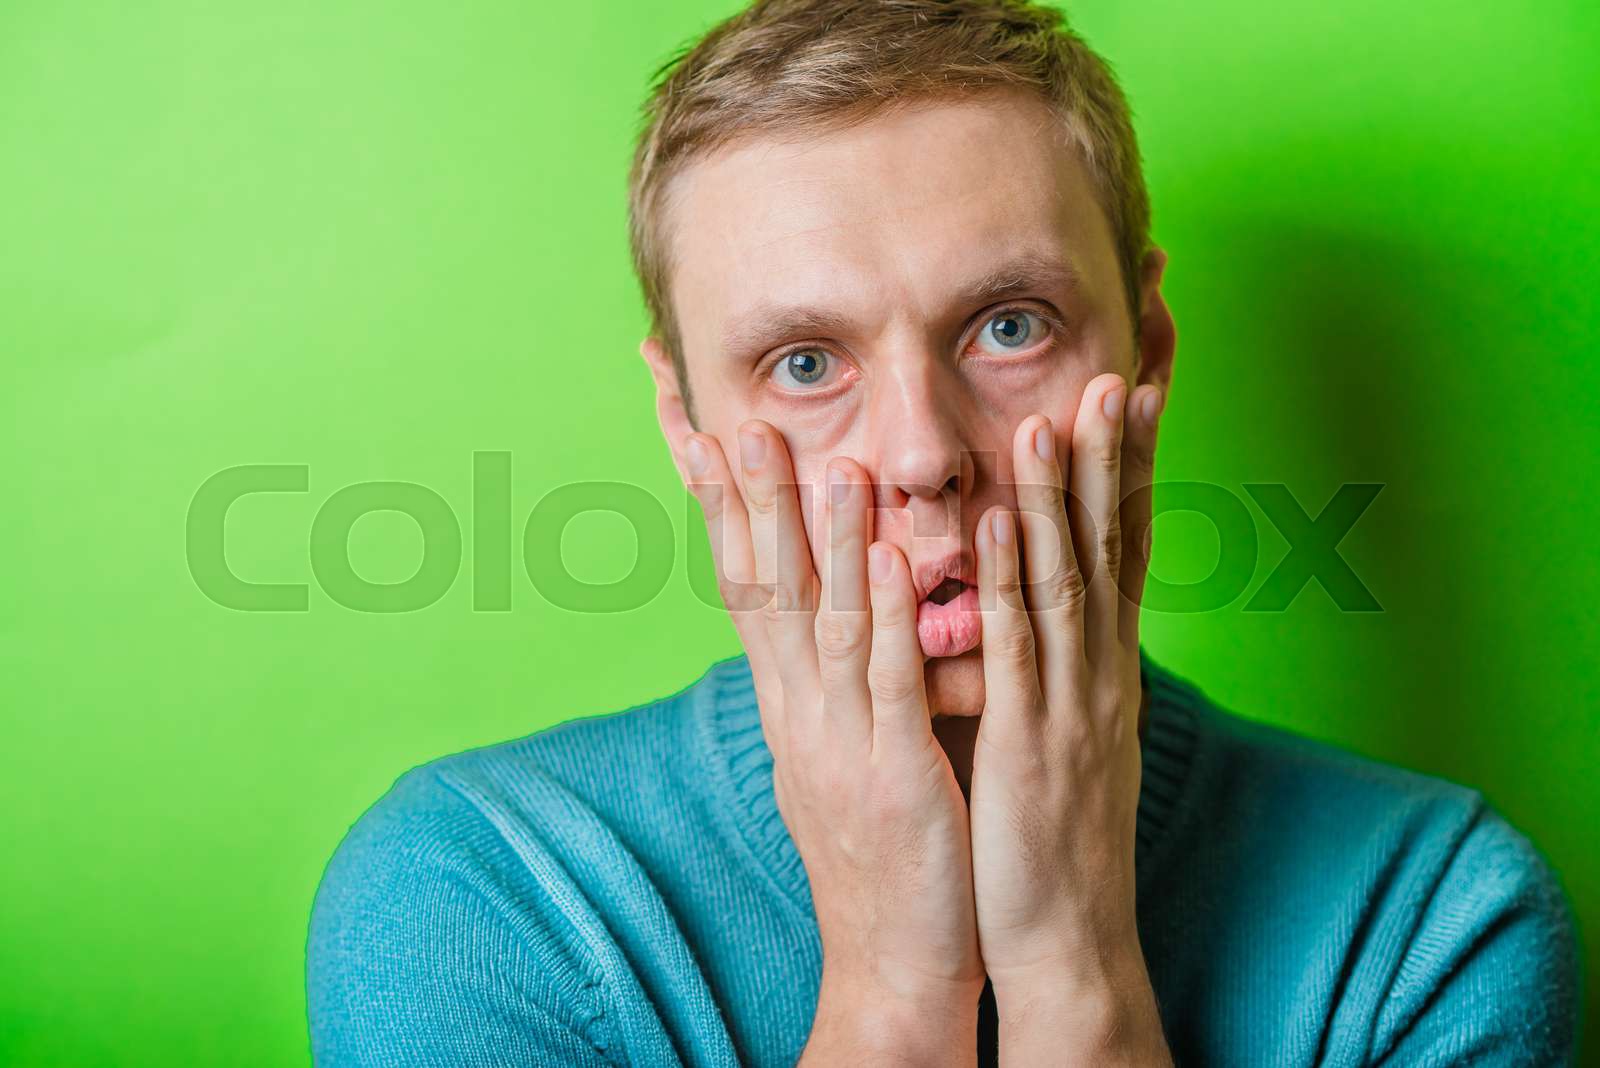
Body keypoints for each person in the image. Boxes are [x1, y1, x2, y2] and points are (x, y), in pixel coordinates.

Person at [305, 1, 1581, 1063]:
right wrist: (892, 987)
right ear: (686, 424)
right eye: (805, 362)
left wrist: (1076, 969)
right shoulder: (476, 903)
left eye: (1009, 325)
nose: (922, 457)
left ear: (1147, 353)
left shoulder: (1433, 924)